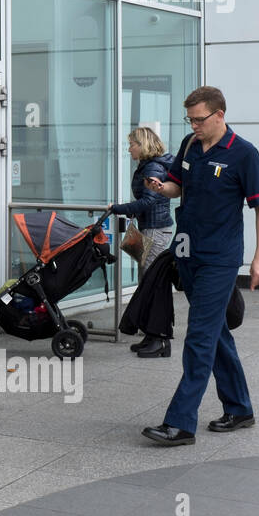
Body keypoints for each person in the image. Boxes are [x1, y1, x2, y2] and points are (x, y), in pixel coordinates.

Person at [140, 86, 259, 445]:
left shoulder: (244, 154)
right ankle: (240, 407)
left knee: (198, 336)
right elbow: (177, 187)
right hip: (188, 253)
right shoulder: (188, 146)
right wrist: (160, 187)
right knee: (215, 333)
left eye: (199, 119)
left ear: (219, 115)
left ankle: (180, 423)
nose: (194, 125)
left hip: (219, 258)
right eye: (190, 119)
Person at [109, 127, 175, 357]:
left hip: (156, 230)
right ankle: (151, 336)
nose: (129, 149)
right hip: (151, 227)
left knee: (153, 284)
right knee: (148, 282)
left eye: (132, 144)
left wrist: (119, 209)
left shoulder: (153, 167)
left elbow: (148, 201)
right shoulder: (148, 165)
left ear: (143, 145)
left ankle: (159, 339)